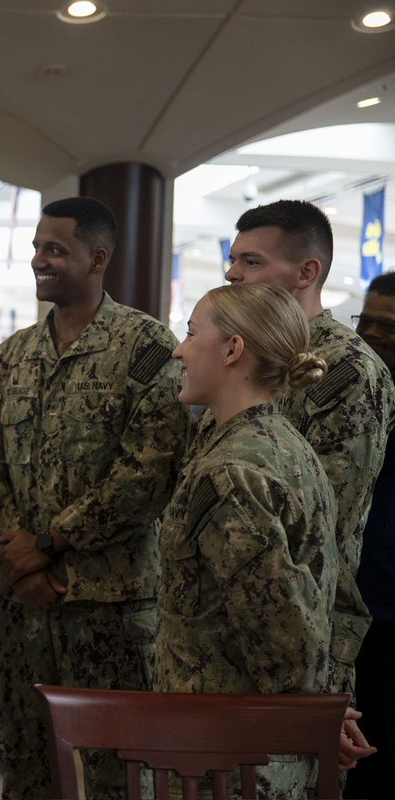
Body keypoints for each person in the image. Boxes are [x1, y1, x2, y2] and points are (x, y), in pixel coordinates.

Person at [0, 196, 189, 799]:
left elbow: (147, 473)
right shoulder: (11, 358)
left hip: (108, 603)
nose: (40, 260)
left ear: (98, 258)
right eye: (38, 247)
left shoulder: (147, 351)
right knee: (26, 753)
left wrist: (48, 544)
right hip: (21, 602)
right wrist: (18, 562)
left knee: (113, 765)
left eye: (55, 249)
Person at [222, 200, 395, 772]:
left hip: (296, 628)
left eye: (251, 261)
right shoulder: (243, 351)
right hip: (222, 622)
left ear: (306, 273)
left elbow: (323, 527)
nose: (233, 274)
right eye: (233, 260)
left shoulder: (348, 370)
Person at [160, 283, 337, 795]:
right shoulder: (282, 443)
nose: (178, 349)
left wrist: (315, 713)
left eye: (192, 334)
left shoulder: (233, 471)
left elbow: (286, 648)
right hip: (250, 749)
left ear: (233, 349)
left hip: (231, 760)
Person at [345, 272, 395, 799]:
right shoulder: (349, 385)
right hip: (354, 605)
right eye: (367, 321)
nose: (374, 334)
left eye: (389, 326)